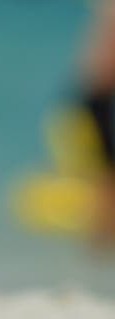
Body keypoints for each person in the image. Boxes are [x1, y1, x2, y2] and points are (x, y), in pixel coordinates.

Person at [80, 1, 115, 244]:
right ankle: (101, 235)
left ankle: (100, 236)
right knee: (105, 169)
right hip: (99, 98)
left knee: (104, 171)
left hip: (96, 96)